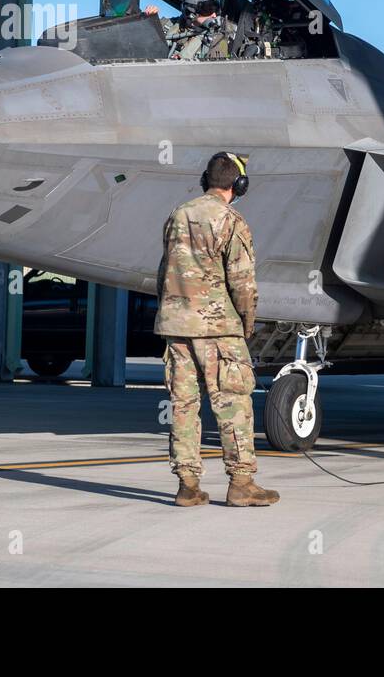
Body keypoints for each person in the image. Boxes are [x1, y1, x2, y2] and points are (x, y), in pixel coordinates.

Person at [154, 152, 278, 508]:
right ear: (238, 185)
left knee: (183, 405)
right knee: (232, 402)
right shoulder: (232, 220)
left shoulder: (178, 214)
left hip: (177, 326)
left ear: (206, 178)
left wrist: (172, 312)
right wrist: (247, 323)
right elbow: (243, 282)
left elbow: (164, 273)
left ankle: (187, 486)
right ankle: (241, 483)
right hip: (218, 328)